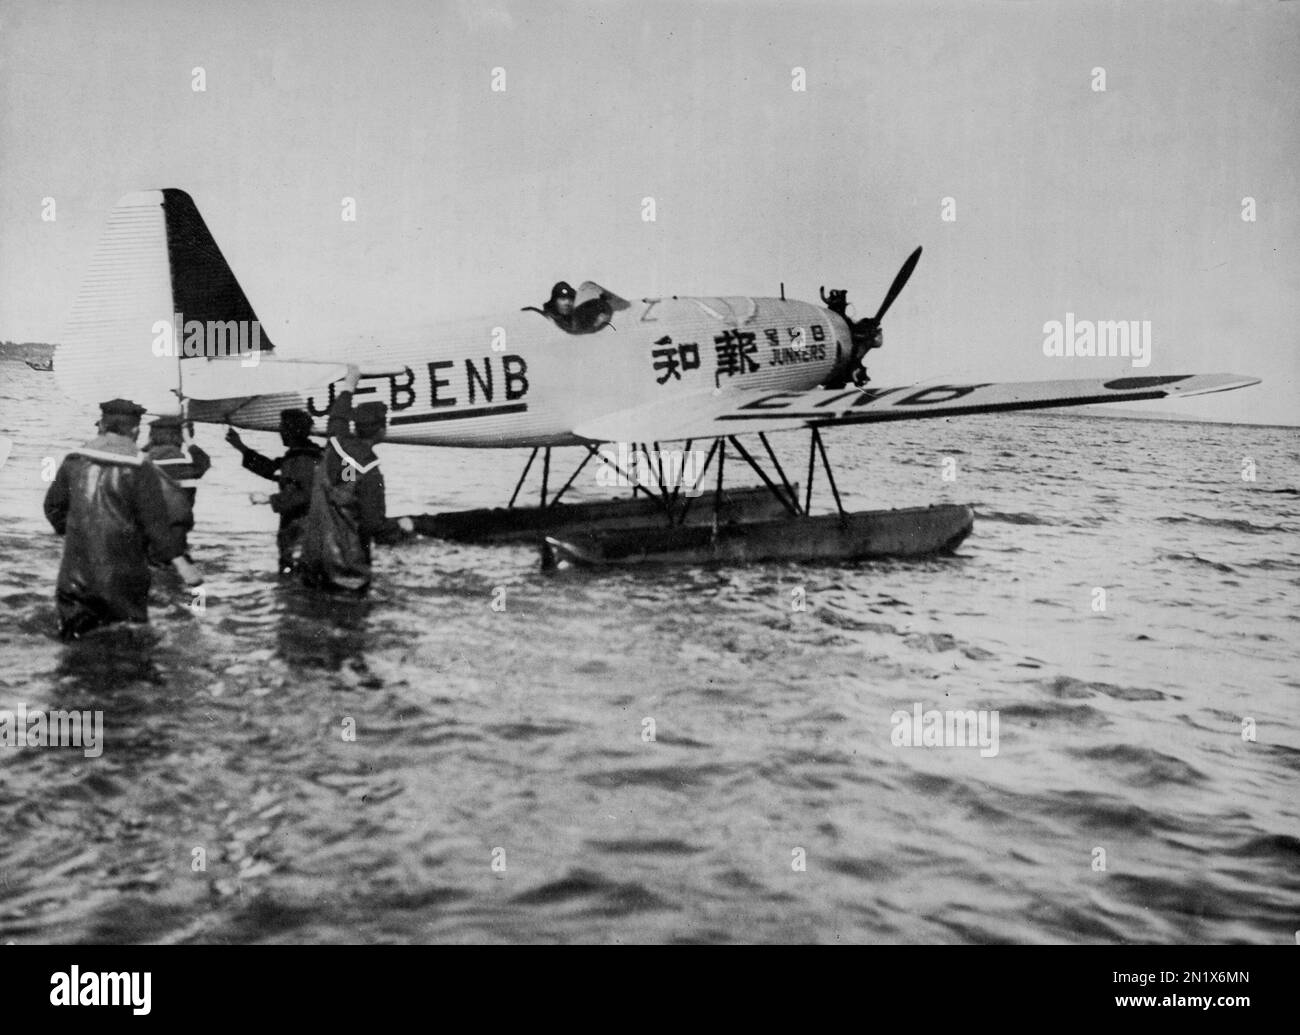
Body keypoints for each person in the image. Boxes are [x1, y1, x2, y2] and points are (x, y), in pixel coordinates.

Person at [43, 399, 184, 639]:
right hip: (123, 583)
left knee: (72, 646)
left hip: (75, 580)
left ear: (102, 426)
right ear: (136, 431)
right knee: (127, 651)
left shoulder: (74, 460)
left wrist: (82, 534)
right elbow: (158, 526)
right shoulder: (142, 468)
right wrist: (182, 564)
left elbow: (53, 508)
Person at [298, 367, 413, 593]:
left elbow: (338, 415)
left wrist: (350, 383)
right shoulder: (369, 470)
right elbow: (374, 525)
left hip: (313, 563)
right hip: (346, 573)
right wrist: (402, 528)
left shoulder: (336, 443)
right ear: (381, 430)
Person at [226, 409, 323, 574]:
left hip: (301, 529)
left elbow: (306, 493)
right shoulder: (304, 455)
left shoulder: (302, 459)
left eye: (283, 427)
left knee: (295, 575)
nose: (280, 431)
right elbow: (271, 469)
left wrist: (269, 500)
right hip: (307, 528)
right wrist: (241, 447)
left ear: (291, 431)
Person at [143, 414, 211, 560]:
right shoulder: (187, 467)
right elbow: (204, 462)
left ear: (151, 437)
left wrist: (148, 445)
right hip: (177, 538)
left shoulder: (141, 463)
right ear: (180, 438)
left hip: (144, 539)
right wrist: (190, 441)